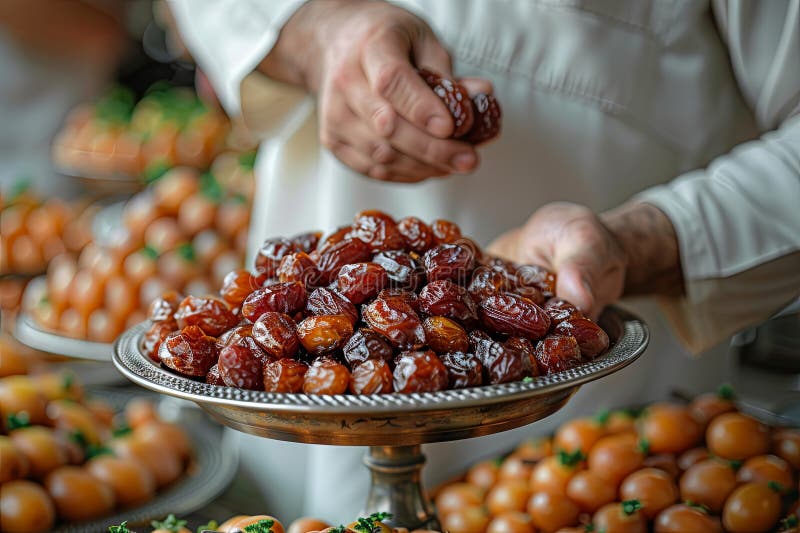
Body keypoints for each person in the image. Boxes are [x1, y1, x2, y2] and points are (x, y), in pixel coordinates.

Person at [168, 0, 800, 521]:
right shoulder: (314, 312)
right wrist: (315, 32)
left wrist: (635, 243)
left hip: (585, 407)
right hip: (289, 400)